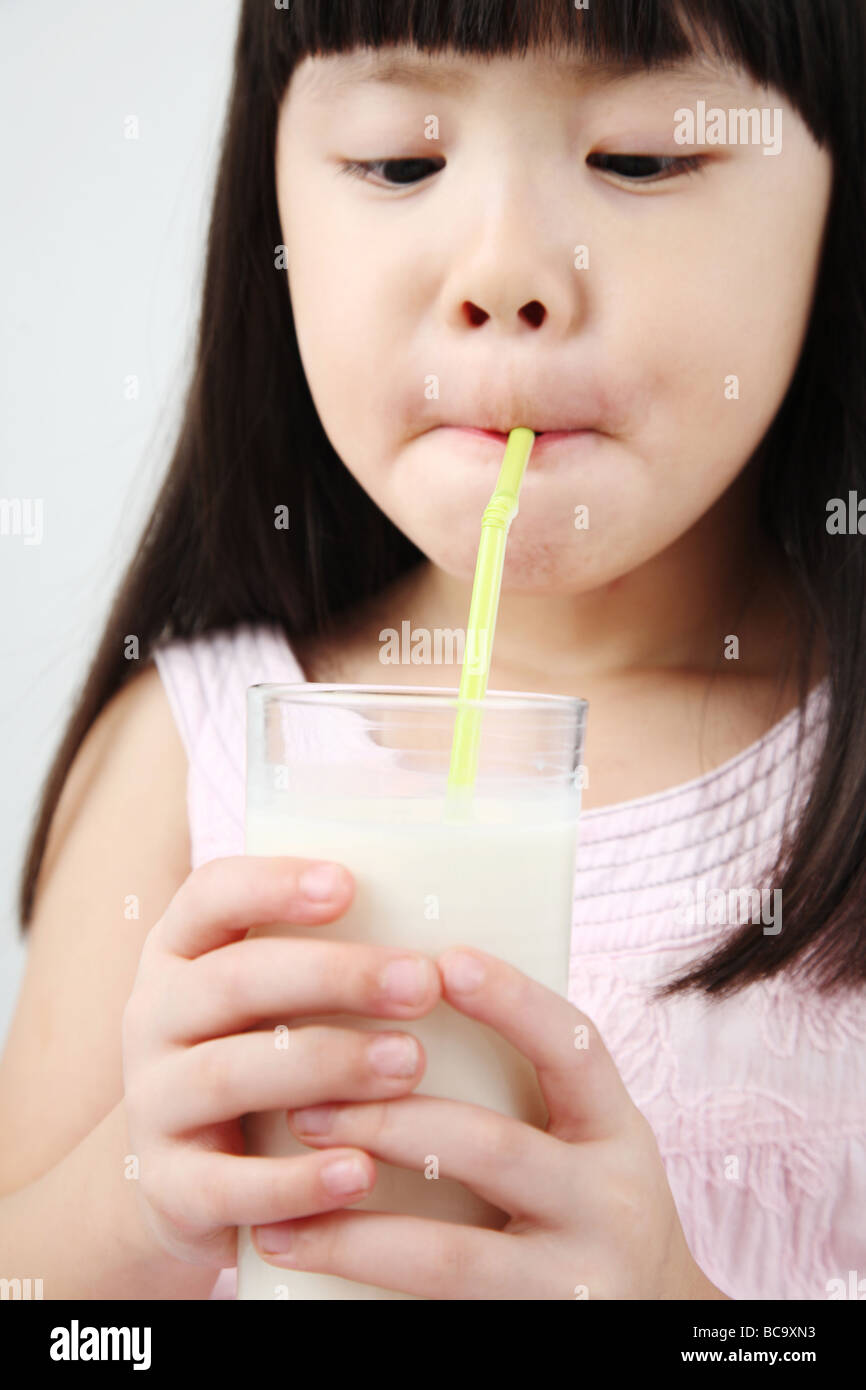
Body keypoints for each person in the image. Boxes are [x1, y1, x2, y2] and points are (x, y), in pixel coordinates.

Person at [4, 0, 865, 1301]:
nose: (505, 270)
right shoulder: (187, 756)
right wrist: (133, 1209)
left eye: (640, 157)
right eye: (400, 161)